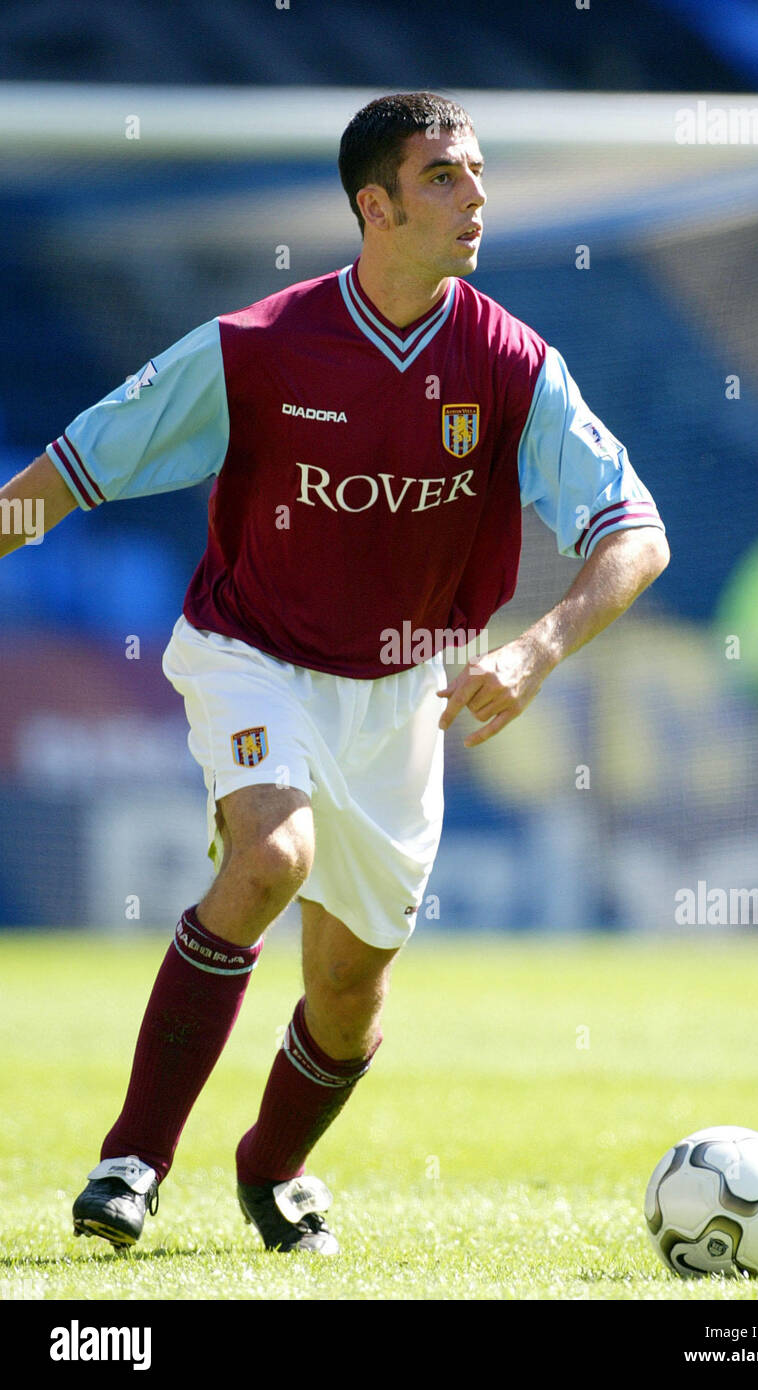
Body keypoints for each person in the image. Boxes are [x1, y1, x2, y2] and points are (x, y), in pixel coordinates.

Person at [0, 92, 669, 1255]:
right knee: (271, 856)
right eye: (444, 176)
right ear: (377, 206)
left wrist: (536, 646)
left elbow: (636, 533)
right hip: (251, 654)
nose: (475, 197)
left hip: (402, 696)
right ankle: (131, 1160)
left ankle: (271, 1169)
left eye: (477, 172)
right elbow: (67, 471)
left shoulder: (511, 365)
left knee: (349, 997)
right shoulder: (256, 346)